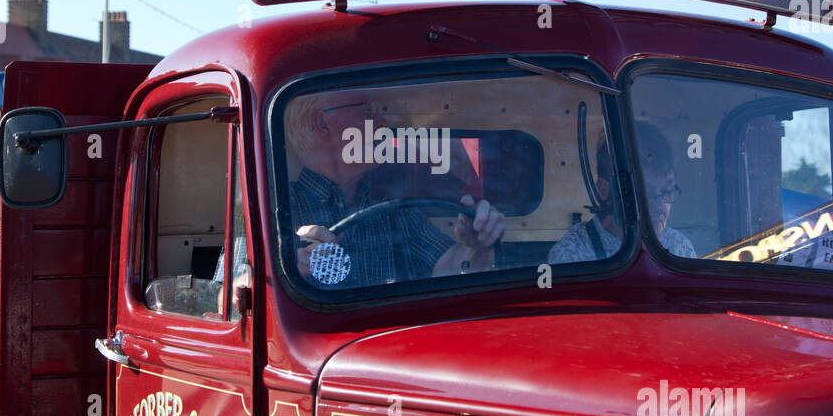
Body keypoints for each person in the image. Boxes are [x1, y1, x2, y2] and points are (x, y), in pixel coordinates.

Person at [287, 92, 505, 287]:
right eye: (367, 112)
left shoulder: (392, 209)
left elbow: (449, 266)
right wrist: (288, 268)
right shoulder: (280, 207)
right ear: (322, 123)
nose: (382, 122)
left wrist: (478, 244)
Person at [548, 121, 695, 264]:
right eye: (647, 194)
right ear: (605, 191)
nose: (660, 206)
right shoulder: (572, 254)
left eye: (667, 190)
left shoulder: (679, 247)